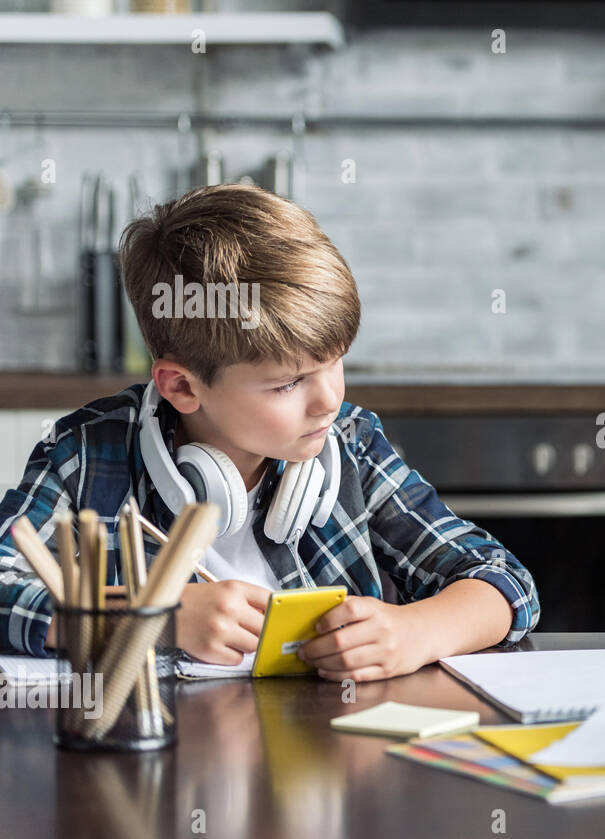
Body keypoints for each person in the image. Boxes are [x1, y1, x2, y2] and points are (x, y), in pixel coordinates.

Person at [0, 184, 539, 681]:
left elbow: (503, 582)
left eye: (335, 362)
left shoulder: (350, 444)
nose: (330, 399)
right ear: (182, 387)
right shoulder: (86, 454)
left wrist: (415, 632)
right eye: (288, 383)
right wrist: (151, 620)